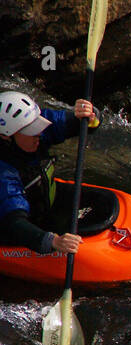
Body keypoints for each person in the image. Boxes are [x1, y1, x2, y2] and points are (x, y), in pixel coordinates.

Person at [0, 91, 102, 256]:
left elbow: (76, 123)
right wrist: (53, 241)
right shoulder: (3, 171)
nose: (38, 134)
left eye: (37, 126)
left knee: (104, 203)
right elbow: (14, 222)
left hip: (42, 205)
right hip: (16, 228)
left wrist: (90, 116)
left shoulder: (31, 128)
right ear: (6, 136)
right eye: (31, 131)